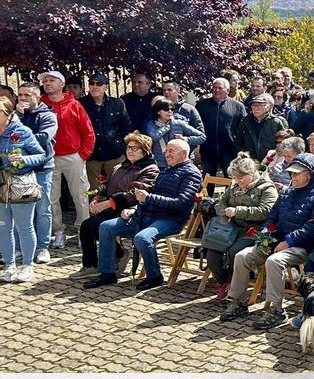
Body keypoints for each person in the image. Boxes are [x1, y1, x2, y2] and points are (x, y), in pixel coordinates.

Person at [219, 153, 314, 329]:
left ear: (309, 174)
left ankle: (277, 310)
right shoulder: (286, 192)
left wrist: (288, 241)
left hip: (304, 245)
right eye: (291, 173)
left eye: (297, 174)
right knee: (242, 256)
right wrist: (265, 237)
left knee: (274, 261)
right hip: (277, 241)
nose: (292, 177)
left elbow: (313, 227)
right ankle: (239, 302)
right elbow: (271, 218)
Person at [86, 139, 202, 290]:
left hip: (169, 219)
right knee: (106, 227)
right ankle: (107, 273)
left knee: (142, 238)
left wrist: (148, 198)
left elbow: (181, 203)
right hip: (146, 214)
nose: (166, 154)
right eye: (166, 151)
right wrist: (134, 208)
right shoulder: (166, 170)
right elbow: (147, 195)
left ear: (184, 153)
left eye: (171, 151)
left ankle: (155, 276)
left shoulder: (191, 174)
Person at [75, 133, 159, 280]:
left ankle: (117, 256)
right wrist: (97, 199)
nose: (130, 151)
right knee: (87, 226)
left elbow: (134, 194)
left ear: (145, 151)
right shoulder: (120, 167)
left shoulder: (150, 170)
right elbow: (107, 186)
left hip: (132, 212)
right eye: (128, 148)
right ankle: (91, 265)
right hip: (114, 209)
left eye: (135, 148)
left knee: (98, 226)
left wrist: (108, 203)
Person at [204, 154, 278, 300]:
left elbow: (265, 212)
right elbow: (221, 202)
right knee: (211, 251)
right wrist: (224, 211)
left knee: (234, 252)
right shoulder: (234, 186)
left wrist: (238, 211)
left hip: (253, 231)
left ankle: (233, 282)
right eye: (235, 178)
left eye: (240, 178)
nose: (237, 181)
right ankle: (222, 281)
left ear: (251, 173)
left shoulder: (267, 188)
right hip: (230, 228)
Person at [40, 71, 97, 251]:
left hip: (73, 156)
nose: (47, 83)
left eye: (51, 80)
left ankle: (83, 231)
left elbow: (88, 131)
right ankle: (58, 232)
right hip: (48, 158)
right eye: (45, 81)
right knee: (51, 198)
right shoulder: (41, 105)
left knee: (80, 195)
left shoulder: (74, 105)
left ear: (61, 84)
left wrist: (83, 155)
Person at [0, 97, 49, 283]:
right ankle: (9, 265)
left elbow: (41, 155)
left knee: (24, 227)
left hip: (21, 185)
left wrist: (23, 160)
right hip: (1, 185)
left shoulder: (22, 131)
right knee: (3, 227)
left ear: (8, 114)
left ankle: (27, 266)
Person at [14, 82, 57, 262]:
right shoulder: (13, 115)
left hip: (41, 169)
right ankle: (18, 247)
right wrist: (19, 117)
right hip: (17, 170)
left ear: (38, 97)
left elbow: (44, 138)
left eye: (27, 95)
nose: (23, 99)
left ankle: (42, 247)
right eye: (20, 95)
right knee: (18, 210)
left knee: (42, 209)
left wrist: (19, 134)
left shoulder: (48, 116)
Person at [80, 73, 131, 188]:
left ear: (106, 87)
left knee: (118, 189)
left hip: (115, 154)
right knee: (93, 191)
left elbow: (126, 127)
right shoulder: (80, 104)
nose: (95, 86)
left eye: (99, 84)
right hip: (91, 156)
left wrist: (123, 148)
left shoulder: (117, 103)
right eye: (92, 83)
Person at [196, 77, 246, 176]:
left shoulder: (238, 106)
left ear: (227, 90)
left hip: (229, 151)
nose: (216, 90)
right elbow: (195, 125)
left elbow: (243, 128)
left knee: (231, 179)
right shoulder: (202, 105)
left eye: (220, 88)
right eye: (214, 87)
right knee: (207, 181)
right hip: (208, 150)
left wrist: (240, 147)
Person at [144, 97, 205, 169]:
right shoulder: (151, 124)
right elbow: (155, 136)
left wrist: (186, 139)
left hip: (179, 162)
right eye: (166, 109)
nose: (170, 111)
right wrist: (167, 127)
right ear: (158, 111)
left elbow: (202, 137)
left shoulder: (179, 123)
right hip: (160, 163)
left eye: (172, 109)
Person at [236, 94, 287, 162]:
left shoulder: (276, 122)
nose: (256, 108)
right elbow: (238, 141)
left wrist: (274, 156)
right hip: (250, 160)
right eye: (254, 105)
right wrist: (243, 153)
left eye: (259, 105)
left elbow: (283, 142)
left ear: (267, 107)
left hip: (271, 160)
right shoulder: (246, 121)